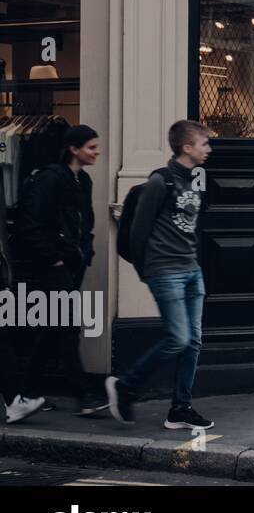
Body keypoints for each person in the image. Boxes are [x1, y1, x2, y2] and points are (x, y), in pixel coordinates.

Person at [106, 120, 213, 430]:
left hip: (192, 271)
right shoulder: (159, 181)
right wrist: (146, 271)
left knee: (192, 342)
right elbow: (138, 232)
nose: (209, 149)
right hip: (165, 272)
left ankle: (180, 408)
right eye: (204, 143)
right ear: (186, 147)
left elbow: (189, 227)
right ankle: (125, 386)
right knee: (178, 338)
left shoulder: (195, 179)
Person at [3, 125, 104, 425]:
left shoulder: (82, 180)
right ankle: (83, 395)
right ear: (74, 149)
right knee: (66, 326)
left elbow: (85, 221)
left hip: (72, 264)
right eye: (91, 147)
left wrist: (84, 251)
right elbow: (31, 224)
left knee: (53, 328)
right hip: (51, 267)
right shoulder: (50, 178)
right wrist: (54, 259)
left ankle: (27, 393)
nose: (96, 152)